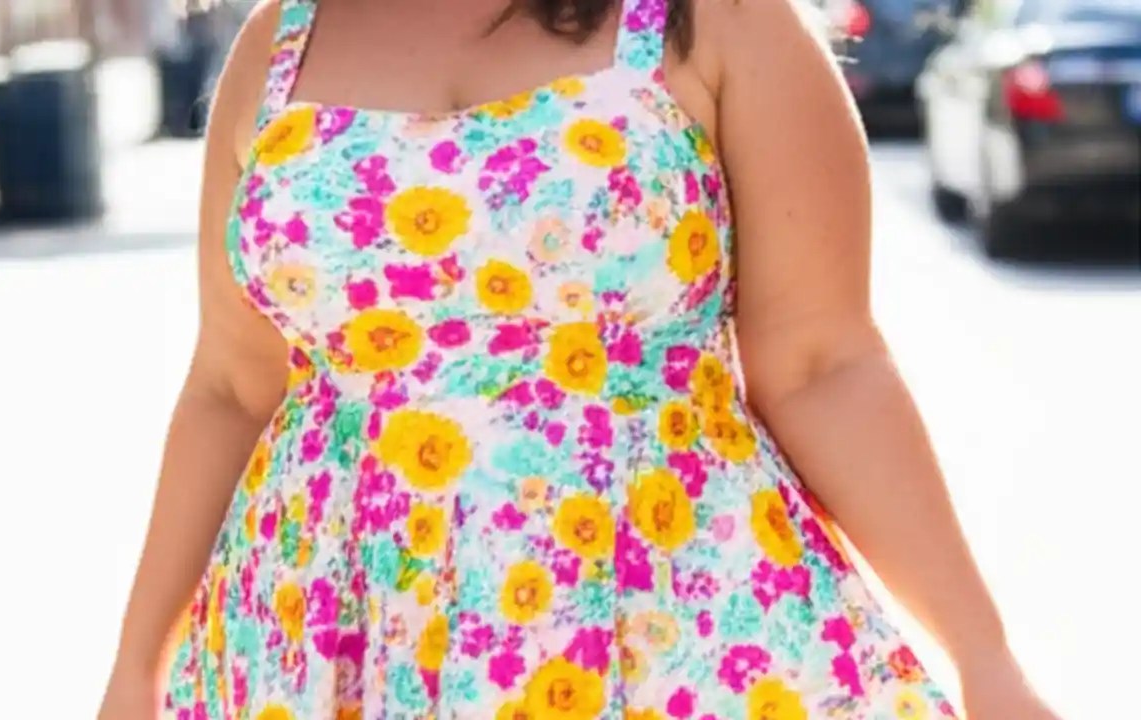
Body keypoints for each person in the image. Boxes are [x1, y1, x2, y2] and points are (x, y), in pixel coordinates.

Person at [100, 1, 1060, 718]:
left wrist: (986, 661)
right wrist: (134, 671)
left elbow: (822, 363)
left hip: (655, 614)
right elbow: (230, 387)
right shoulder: (279, 44)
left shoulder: (707, 19)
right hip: (326, 624)